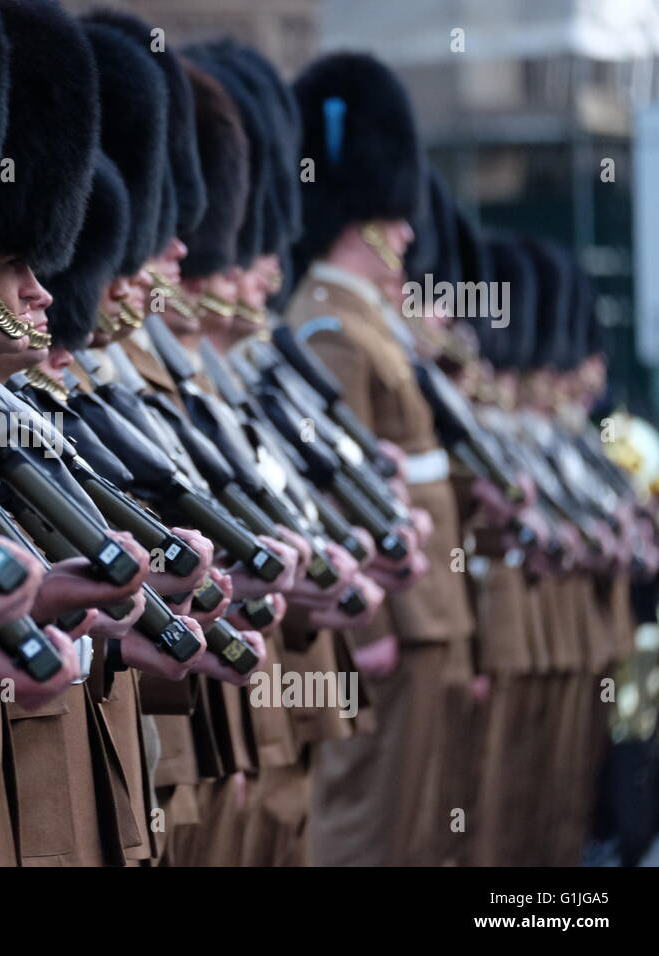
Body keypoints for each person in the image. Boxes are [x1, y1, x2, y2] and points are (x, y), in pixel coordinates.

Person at [285, 52, 475, 866]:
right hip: (393, 607)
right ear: (361, 210)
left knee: (409, 834)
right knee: (366, 829)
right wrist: (364, 627)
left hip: (427, 601)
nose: (406, 230)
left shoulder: (365, 322)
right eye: (394, 216)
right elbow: (337, 486)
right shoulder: (330, 325)